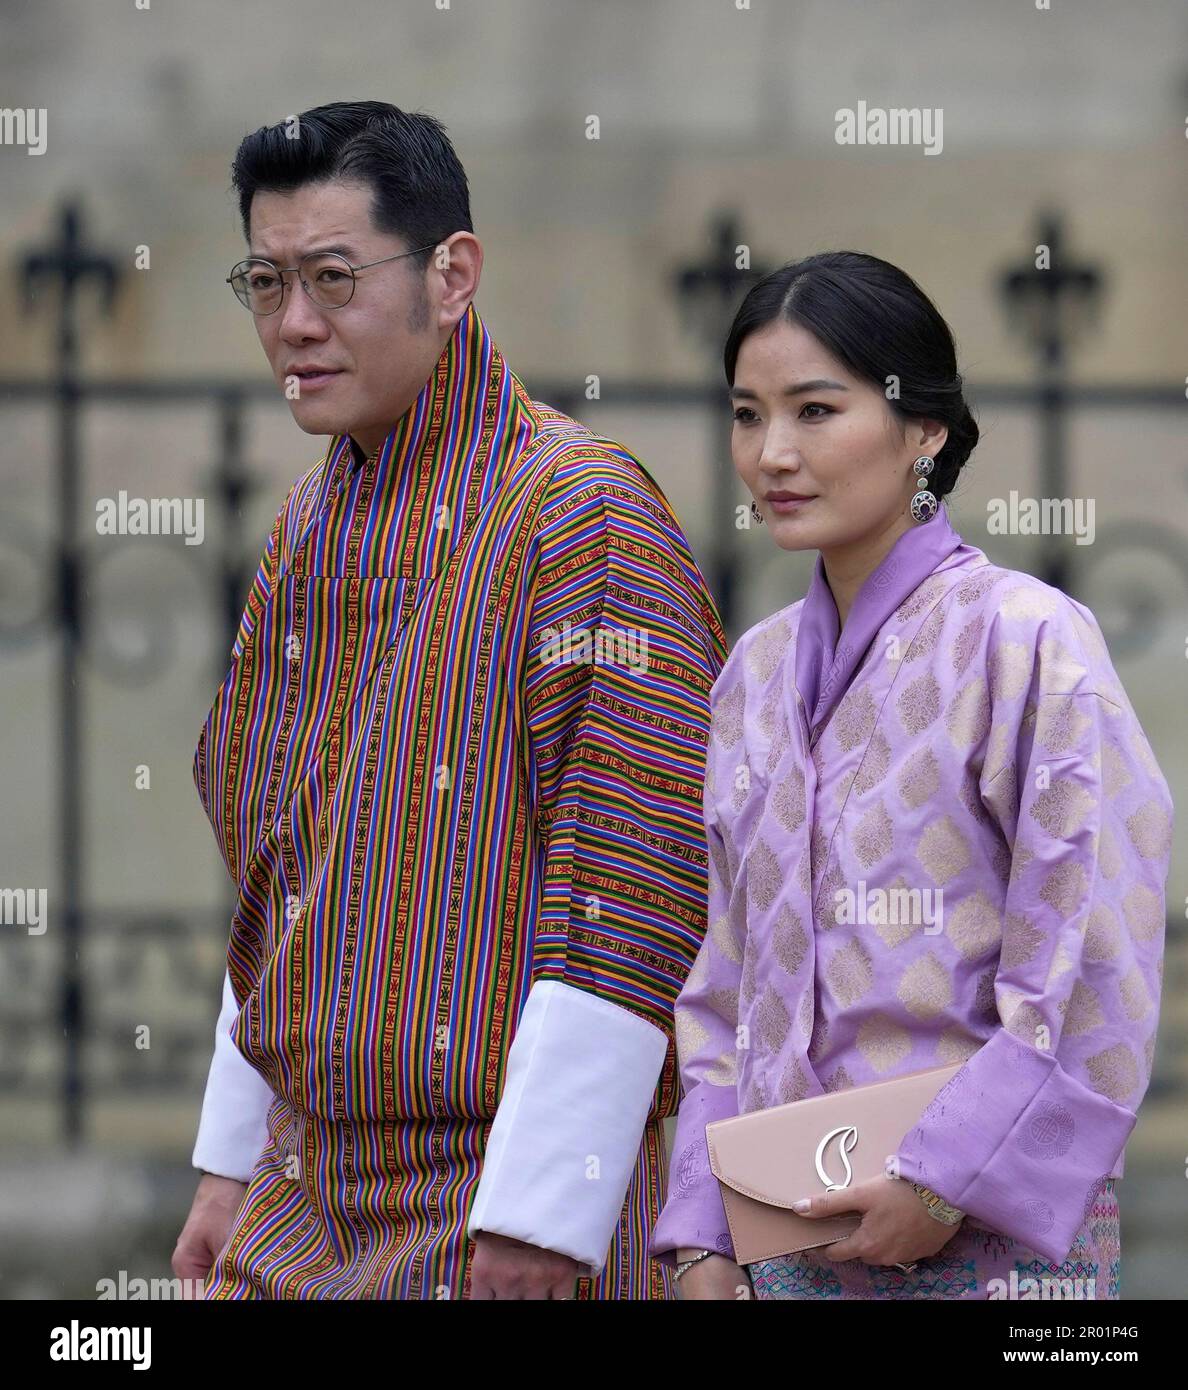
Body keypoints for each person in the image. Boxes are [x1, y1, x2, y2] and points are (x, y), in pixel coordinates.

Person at [170, 101, 727, 1300]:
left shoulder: (580, 511)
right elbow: (280, 872)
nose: (294, 325)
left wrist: (541, 1211)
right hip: (301, 1190)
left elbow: (632, 881)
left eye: (332, 276)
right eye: (265, 283)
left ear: (453, 274)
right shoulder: (310, 527)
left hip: (497, 1206)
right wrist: (228, 1160)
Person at [650, 250, 1173, 1300]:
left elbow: (1090, 954)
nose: (773, 455)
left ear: (923, 428)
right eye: (749, 415)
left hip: (994, 1246)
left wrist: (942, 1183)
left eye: (816, 409)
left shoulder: (1023, 640)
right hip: (784, 1244)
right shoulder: (752, 675)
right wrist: (702, 1234)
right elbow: (723, 987)